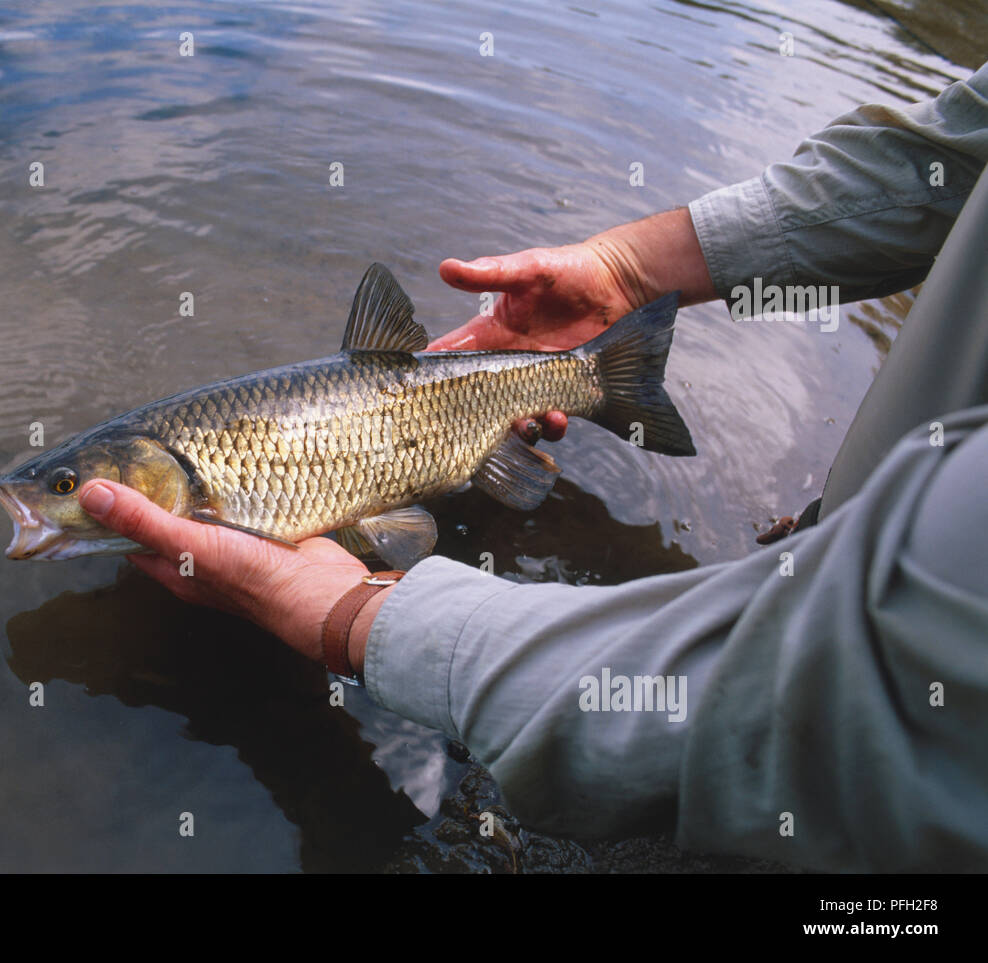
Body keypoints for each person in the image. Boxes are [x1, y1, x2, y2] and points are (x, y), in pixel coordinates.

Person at [75, 64, 988, 871]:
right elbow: (941, 156)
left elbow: (821, 699)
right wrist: (626, 269)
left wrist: (353, 613)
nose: (68, 500)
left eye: (68, 486)